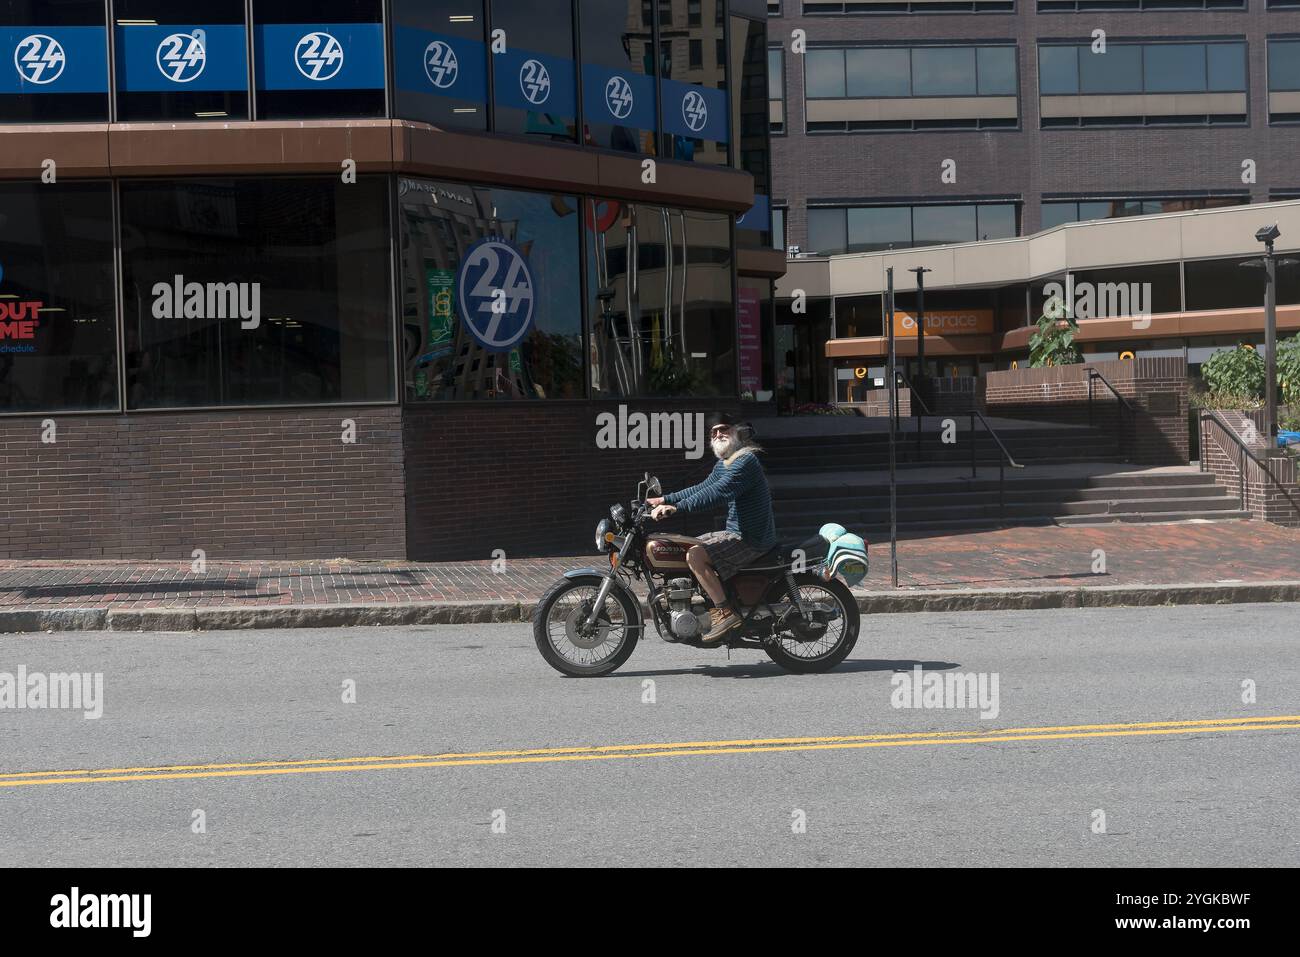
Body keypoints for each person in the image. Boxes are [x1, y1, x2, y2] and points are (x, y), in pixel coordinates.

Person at [646, 412, 777, 640]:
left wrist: (678, 508)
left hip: (750, 539)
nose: (718, 434)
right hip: (736, 533)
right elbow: (702, 486)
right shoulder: (725, 462)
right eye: (714, 431)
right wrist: (665, 499)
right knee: (688, 546)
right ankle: (706, 604)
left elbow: (717, 493)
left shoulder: (746, 461)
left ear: (737, 431)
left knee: (695, 556)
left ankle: (724, 612)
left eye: (723, 429)